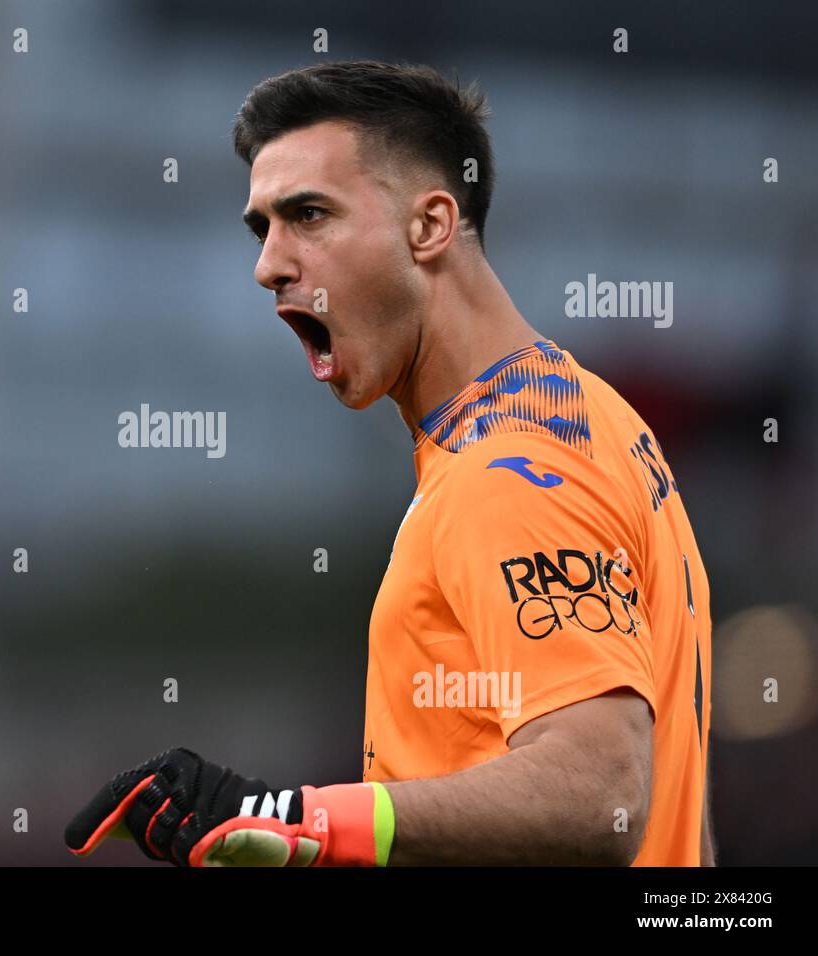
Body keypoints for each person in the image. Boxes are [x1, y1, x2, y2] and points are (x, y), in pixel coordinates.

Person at [65, 61, 713, 866]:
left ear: (430, 227)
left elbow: (602, 791)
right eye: (260, 227)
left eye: (308, 214)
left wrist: (303, 816)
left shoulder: (510, 473)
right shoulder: (598, 419)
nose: (268, 264)